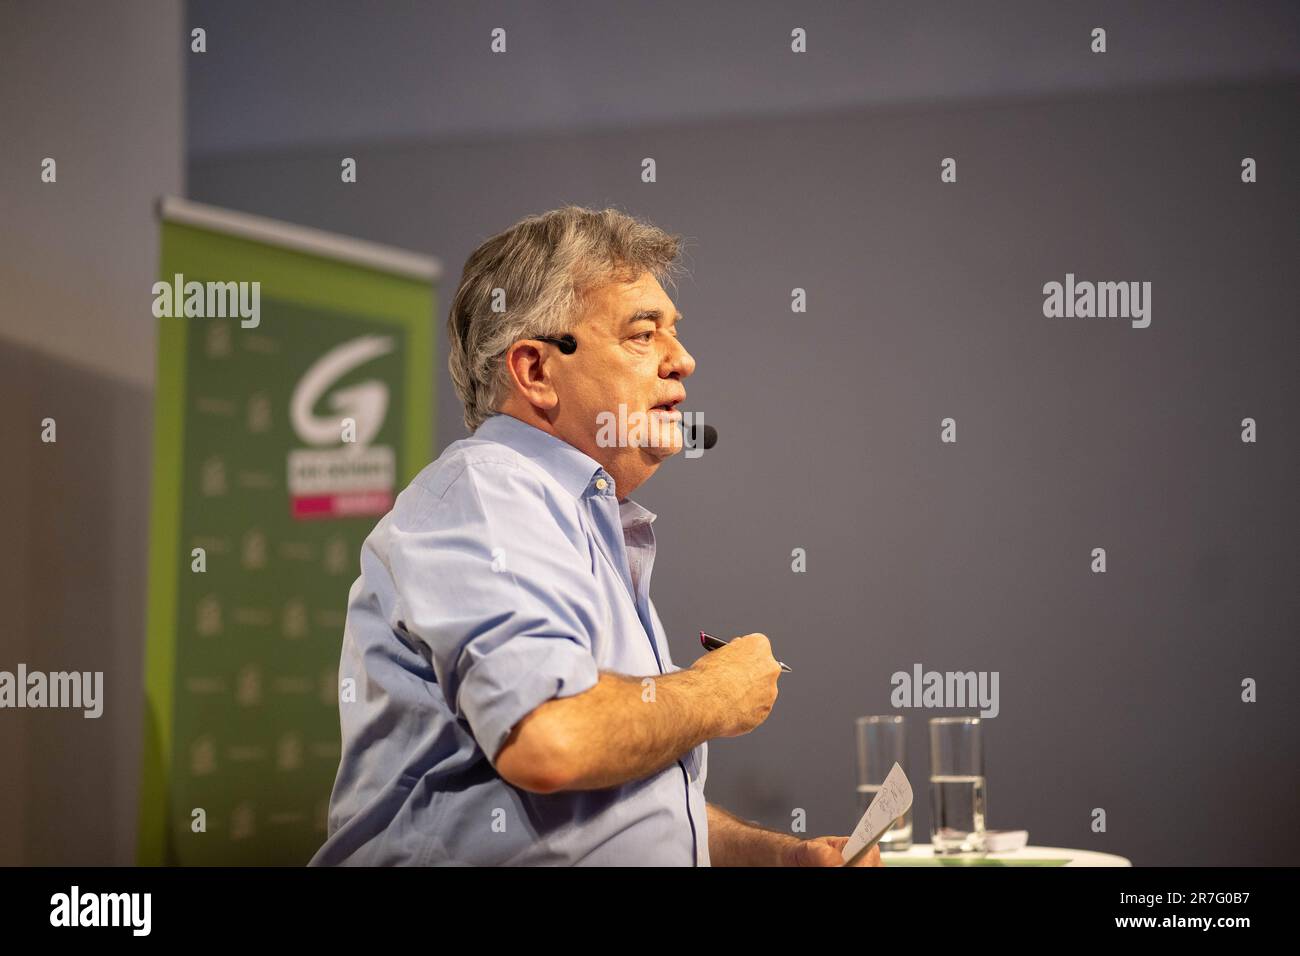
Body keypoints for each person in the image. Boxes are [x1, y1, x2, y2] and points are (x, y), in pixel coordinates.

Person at [310, 205, 882, 867]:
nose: (684, 361)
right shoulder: (488, 492)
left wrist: (780, 858)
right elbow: (550, 742)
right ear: (535, 371)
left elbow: (627, 807)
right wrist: (713, 693)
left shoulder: (586, 518)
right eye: (644, 335)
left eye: (675, 332)